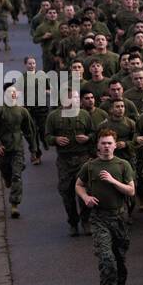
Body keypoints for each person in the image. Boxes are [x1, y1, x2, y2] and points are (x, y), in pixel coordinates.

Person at [75, 130, 137, 285]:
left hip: (119, 218)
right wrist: (86, 197)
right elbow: (78, 185)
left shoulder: (122, 165)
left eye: (109, 143)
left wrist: (112, 180)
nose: (106, 146)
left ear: (115, 145)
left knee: (119, 260)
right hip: (99, 218)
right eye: (103, 143)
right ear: (97, 146)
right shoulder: (90, 166)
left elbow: (131, 190)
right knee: (106, 258)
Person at [0, 83, 41, 218]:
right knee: (4, 169)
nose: (13, 94)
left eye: (15, 91)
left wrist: (33, 150)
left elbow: (30, 131)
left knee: (17, 175)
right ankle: (6, 177)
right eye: (10, 92)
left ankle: (14, 205)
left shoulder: (22, 111)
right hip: (3, 149)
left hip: (17, 149)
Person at [45, 96, 97, 236]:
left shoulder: (84, 114)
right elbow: (47, 137)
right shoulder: (53, 116)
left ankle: (86, 221)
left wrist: (88, 138)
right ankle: (73, 223)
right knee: (67, 193)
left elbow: (93, 133)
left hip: (83, 158)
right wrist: (55, 139)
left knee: (85, 191)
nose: (71, 100)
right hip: (64, 160)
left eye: (74, 97)